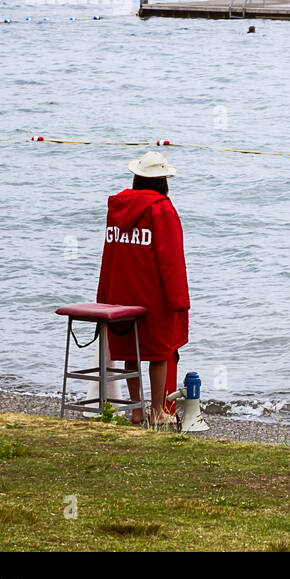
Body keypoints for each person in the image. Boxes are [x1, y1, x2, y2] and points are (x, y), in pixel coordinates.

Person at [96, 150, 190, 426]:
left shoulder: (116, 208)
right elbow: (171, 258)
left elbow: (109, 254)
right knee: (160, 351)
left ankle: (137, 409)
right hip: (152, 294)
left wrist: (104, 296)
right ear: (163, 182)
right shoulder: (162, 209)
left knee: (130, 348)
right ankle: (159, 411)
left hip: (120, 292)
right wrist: (179, 299)